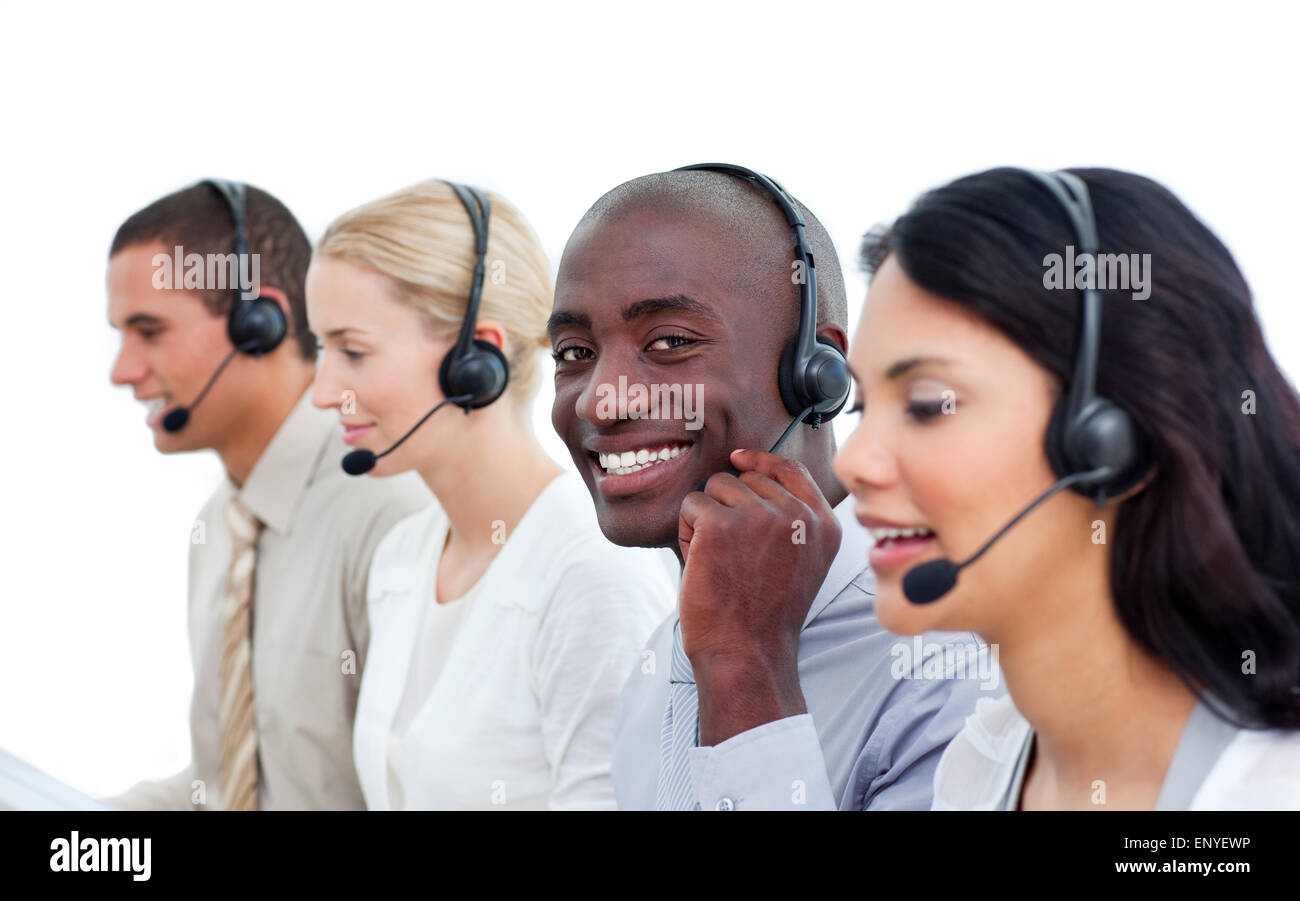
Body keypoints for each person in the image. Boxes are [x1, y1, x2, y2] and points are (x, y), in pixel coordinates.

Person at [834, 166, 1300, 809]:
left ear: (1112, 440)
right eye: (861, 407)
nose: (853, 463)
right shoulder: (980, 765)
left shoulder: (1270, 791)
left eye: (926, 404)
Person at [549, 165, 999, 810]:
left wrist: (745, 665)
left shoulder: (951, 673)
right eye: (573, 353)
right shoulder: (657, 662)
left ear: (817, 372)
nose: (602, 400)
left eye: (671, 341)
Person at [308, 179, 675, 810]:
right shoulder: (403, 557)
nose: (321, 391)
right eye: (322, 350)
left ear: (477, 359)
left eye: (353, 351)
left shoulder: (591, 574)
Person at [105, 180, 430, 810]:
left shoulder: (390, 509)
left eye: (148, 330)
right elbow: (227, 783)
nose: (121, 370)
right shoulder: (221, 529)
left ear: (261, 325)